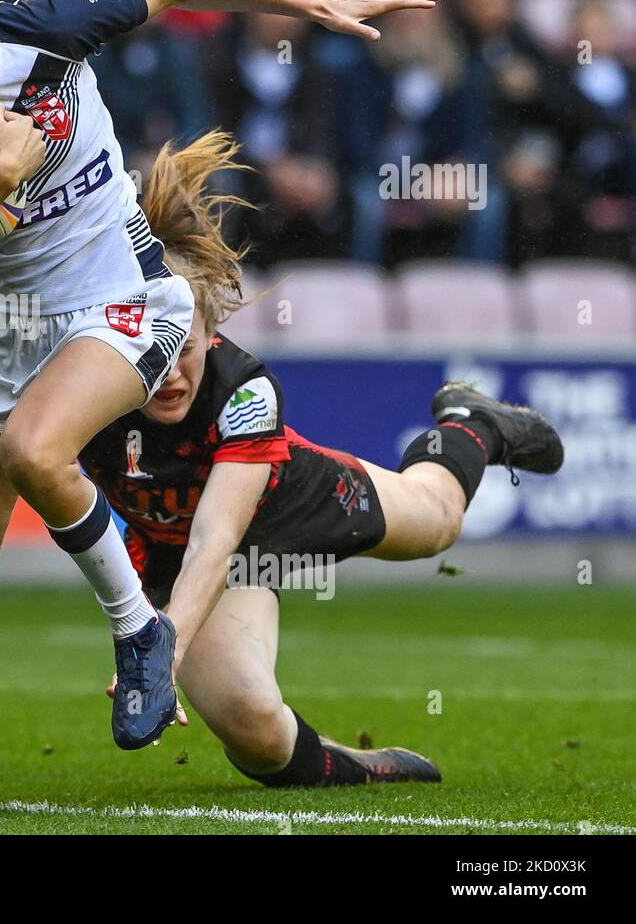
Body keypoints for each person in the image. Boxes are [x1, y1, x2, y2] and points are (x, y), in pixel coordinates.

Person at [0, 0, 441, 807]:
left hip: (123, 302)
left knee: (35, 451)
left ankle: (141, 630)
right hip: (3, 325)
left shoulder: (42, 30)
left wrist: (305, 3)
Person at [82, 130, 564, 787]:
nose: (168, 373)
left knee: (440, 521)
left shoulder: (244, 389)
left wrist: (157, 650)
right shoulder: (85, 393)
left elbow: (219, 536)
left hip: (282, 498)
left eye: (184, 348)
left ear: (210, 330)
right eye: (152, 354)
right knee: (257, 734)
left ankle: (471, 424)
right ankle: (357, 766)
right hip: (175, 551)